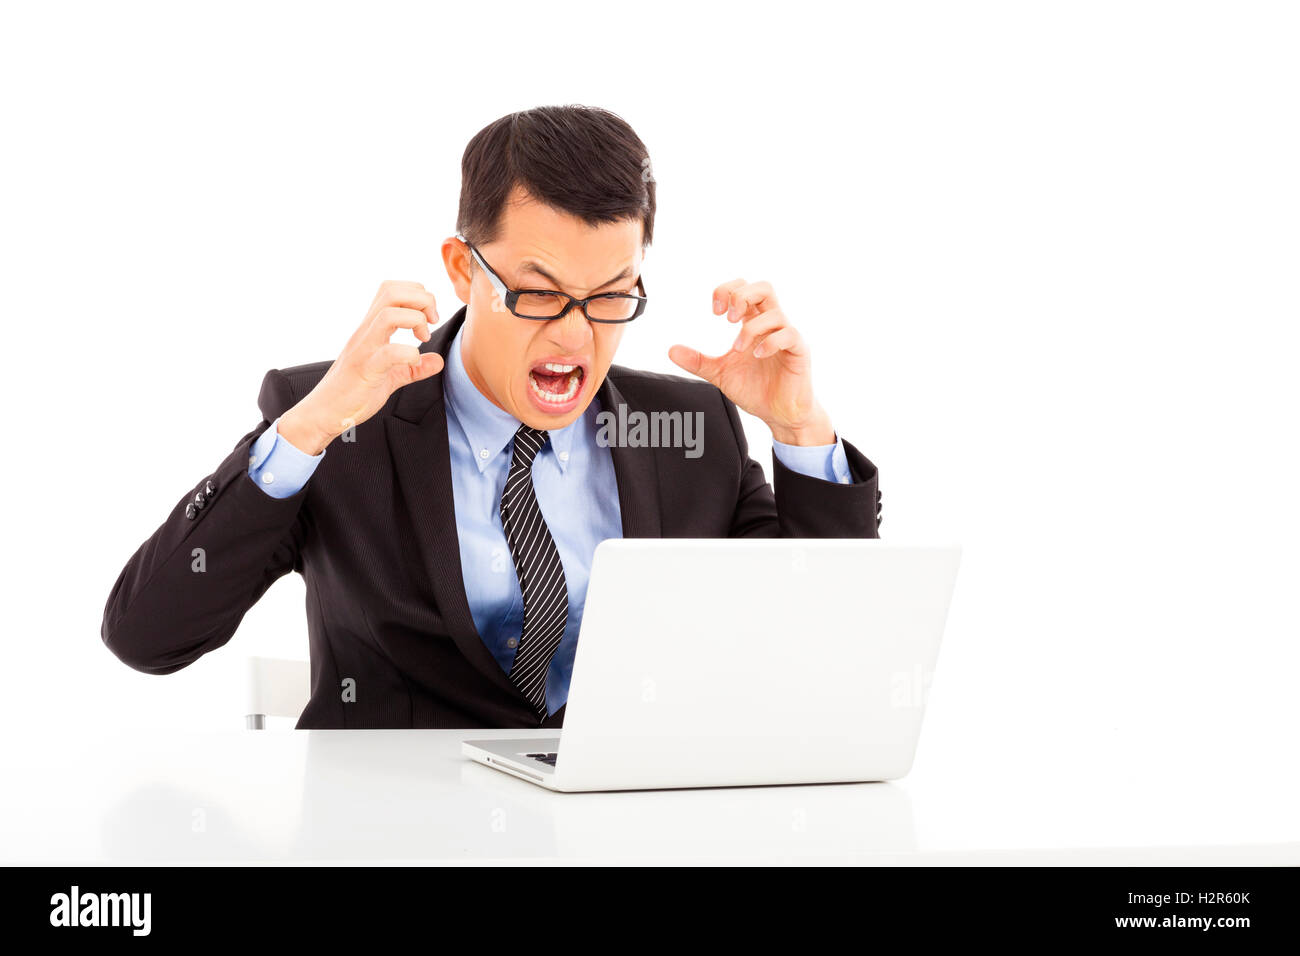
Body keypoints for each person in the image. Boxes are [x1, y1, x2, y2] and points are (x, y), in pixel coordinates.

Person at [100, 105, 883, 728]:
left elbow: (828, 652)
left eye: (613, 294)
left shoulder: (690, 427)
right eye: (539, 291)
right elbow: (146, 636)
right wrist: (307, 432)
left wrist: (800, 430)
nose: (576, 333)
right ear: (462, 267)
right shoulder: (345, 419)